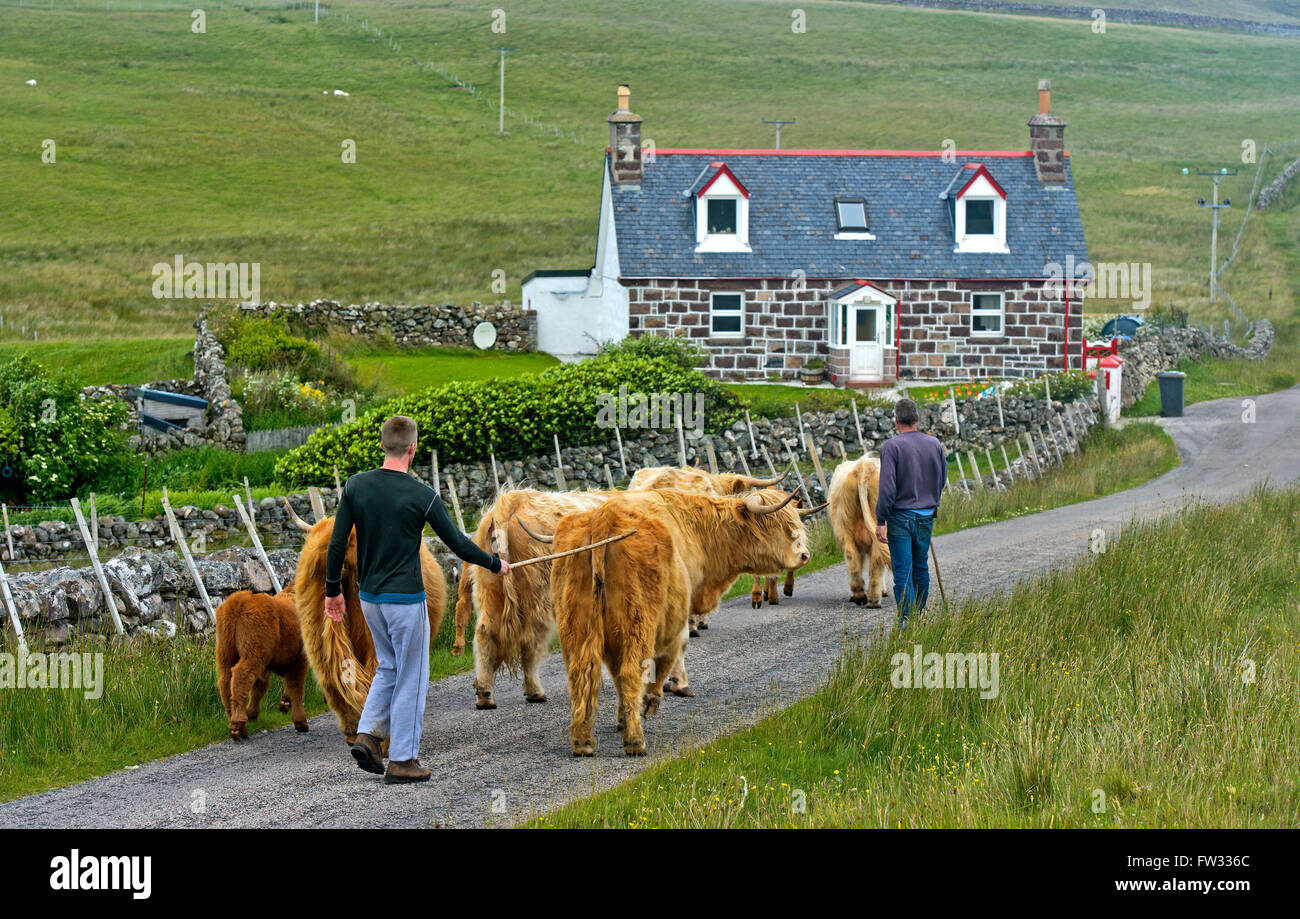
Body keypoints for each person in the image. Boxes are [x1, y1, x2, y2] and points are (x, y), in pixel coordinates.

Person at [324, 415, 511, 784]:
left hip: (370, 600)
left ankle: (368, 735)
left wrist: (332, 592)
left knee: (389, 667)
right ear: (413, 449)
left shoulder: (356, 487)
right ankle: (403, 760)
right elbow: (457, 544)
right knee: (412, 676)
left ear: (382, 446)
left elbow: (335, 542)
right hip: (407, 602)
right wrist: (495, 563)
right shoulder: (423, 496)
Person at [874, 398, 946, 627]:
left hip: (900, 517)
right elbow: (941, 479)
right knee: (920, 565)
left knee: (903, 569)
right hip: (926, 515)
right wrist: (930, 500)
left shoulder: (892, 447)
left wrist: (881, 519)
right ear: (917, 418)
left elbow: (886, 488)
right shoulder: (934, 444)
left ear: (896, 420)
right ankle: (921, 612)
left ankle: (907, 619)